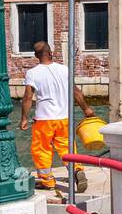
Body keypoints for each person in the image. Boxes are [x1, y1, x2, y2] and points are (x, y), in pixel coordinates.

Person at [19, 40, 95, 193]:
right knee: (67, 147)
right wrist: (86, 109)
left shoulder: (32, 73)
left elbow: (28, 97)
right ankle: (77, 170)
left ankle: (48, 182)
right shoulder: (64, 69)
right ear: (51, 53)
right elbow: (76, 91)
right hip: (64, 118)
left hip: (44, 119)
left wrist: (24, 118)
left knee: (41, 150)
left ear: (36, 56)